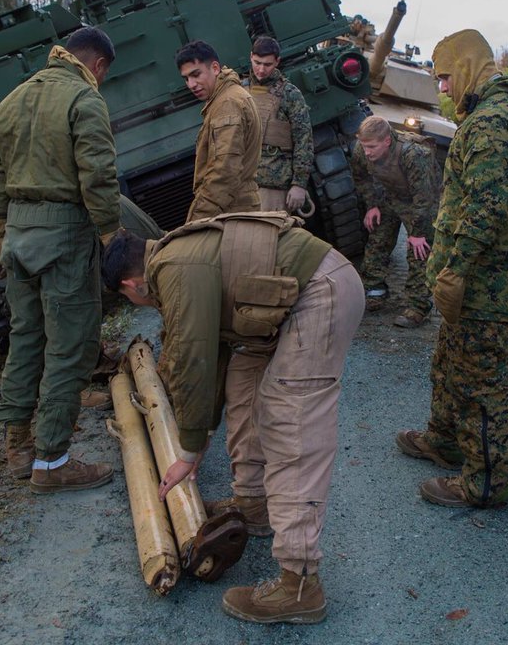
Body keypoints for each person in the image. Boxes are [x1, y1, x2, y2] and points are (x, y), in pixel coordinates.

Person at [103, 212, 363, 624]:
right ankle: (254, 503)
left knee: (289, 418)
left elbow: (193, 360)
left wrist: (187, 453)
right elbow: (217, 351)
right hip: (288, 300)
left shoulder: (174, 269)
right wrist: (200, 435)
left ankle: (300, 584)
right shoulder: (171, 258)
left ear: (130, 286)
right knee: (244, 382)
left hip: (319, 293)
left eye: (128, 299)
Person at [395, 29, 508, 509]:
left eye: (443, 77)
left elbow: (487, 204)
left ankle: (484, 484)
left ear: (465, 68)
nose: (441, 88)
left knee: (483, 382)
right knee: (450, 362)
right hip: (479, 278)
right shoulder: (489, 115)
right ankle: (445, 440)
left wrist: (455, 269)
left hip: (486, 281)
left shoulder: (494, 122)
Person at [0, 26, 120, 494]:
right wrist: (111, 233)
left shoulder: (12, 99)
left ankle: (18, 446)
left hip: (19, 236)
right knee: (69, 343)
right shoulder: (84, 100)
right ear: (97, 65)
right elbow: (97, 174)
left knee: (26, 339)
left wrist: (0, 233)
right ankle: (52, 461)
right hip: (64, 234)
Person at [349, 115, 441, 327]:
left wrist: (417, 233)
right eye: (364, 146)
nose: (367, 151)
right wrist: (372, 205)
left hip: (421, 201)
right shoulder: (361, 150)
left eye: (372, 146)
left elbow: (425, 198)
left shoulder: (414, 155)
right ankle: (374, 290)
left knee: (419, 251)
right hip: (391, 194)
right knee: (377, 239)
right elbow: (361, 177)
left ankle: (418, 306)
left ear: (387, 141)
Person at [176, 40, 261, 222]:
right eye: (186, 79)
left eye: (196, 74)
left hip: (234, 213)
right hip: (235, 209)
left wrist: (197, 220)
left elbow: (224, 172)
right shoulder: (225, 97)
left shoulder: (227, 103)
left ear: (215, 68)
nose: (191, 84)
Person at [243, 36, 313, 214]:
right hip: (240, 184)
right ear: (251, 56)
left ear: (277, 62)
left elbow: (303, 140)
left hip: (273, 187)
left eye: (267, 64)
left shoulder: (290, 94)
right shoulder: (239, 91)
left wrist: (299, 184)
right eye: (257, 62)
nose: (261, 69)